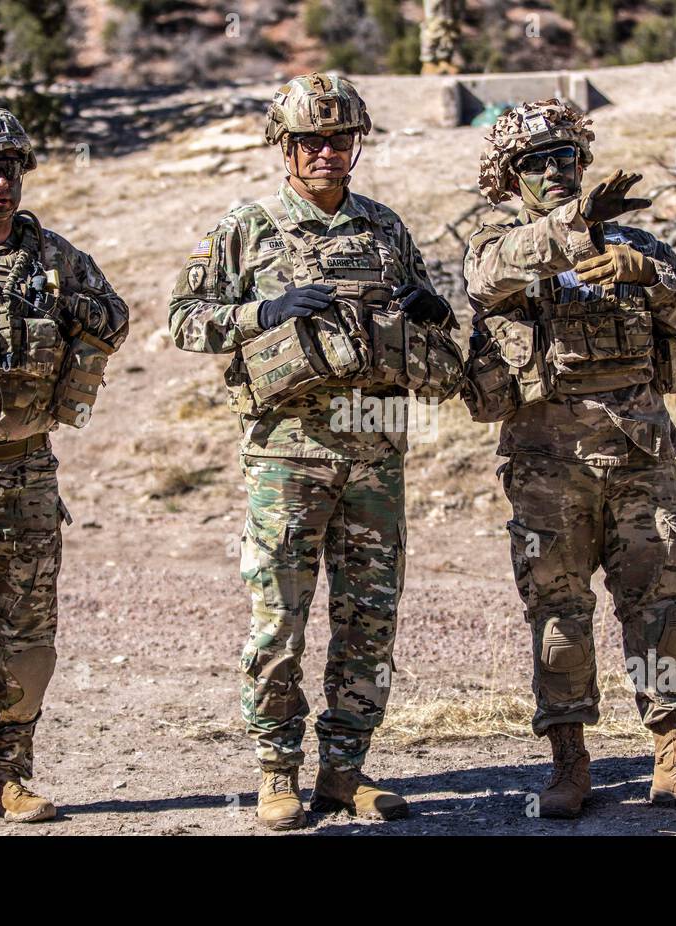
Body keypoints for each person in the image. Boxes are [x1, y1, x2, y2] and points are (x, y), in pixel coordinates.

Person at [167, 73, 463, 830]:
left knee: (370, 616)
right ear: (285, 147)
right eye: (311, 141)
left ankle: (344, 769)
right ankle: (276, 770)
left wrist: (429, 308)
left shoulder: (384, 228)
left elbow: (425, 319)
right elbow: (183, 320)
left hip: (376, 455)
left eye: (341, 139)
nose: (327, 152)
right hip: (286, 456)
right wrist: (262, 310)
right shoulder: (248, 226)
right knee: (280, 620)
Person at [463, 99, 676, 819]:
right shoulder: (496, 248)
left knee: (664, 607)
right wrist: (573, 232)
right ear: (508, 178)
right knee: (558, 614)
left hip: (639, 459)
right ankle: (568, 760)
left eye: (567, 156)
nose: (556, 171)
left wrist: (646, 276)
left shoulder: (636, 245)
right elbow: (484, 282)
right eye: (535, 162)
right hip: (545, 469)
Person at [0, 107, 130, 829]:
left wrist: (67, 305)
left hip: (28, 475)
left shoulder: (51, 256)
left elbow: (115, 316)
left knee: (24, 645)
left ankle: (4, 777)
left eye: (9, 170)